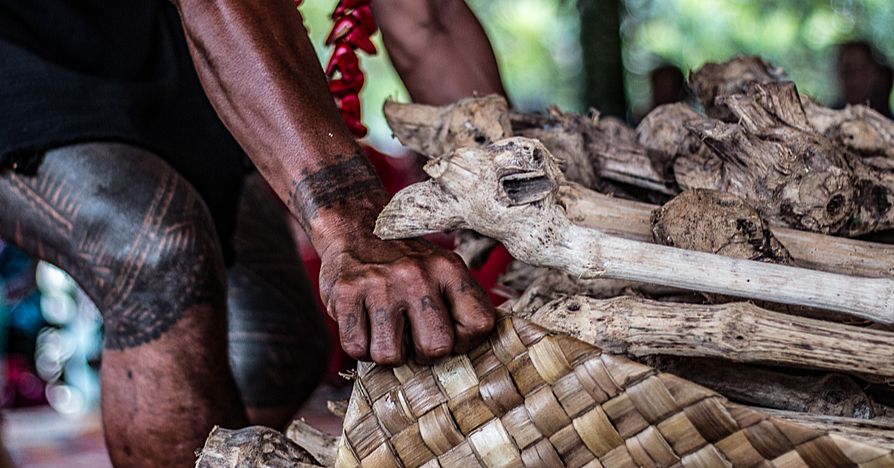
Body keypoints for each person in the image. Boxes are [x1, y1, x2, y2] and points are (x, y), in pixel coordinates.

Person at [0, 0, 503, 466]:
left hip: (154, 32)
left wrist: (520, 209)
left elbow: (427, 18)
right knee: (158, 257)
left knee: (277, 348)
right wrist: (353, 226)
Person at [835, 40, 893, 119]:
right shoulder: (833, 114)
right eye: (847, 72)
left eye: (861, 70)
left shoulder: (884, 118)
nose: (854, 80)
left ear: (873, 73)